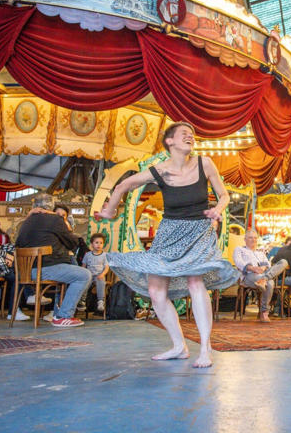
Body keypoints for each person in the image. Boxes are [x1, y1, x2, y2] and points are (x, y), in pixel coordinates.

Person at [96, 122, 239, 367]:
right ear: (170, 141)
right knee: (155, 291)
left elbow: (224, 194)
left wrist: (218, 209)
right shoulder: (159, 170)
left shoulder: (205, 163)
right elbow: (123, 185)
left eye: (192, 134)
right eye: (184, 134)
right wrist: (109, 211)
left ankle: (205, 348)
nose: (190, 136)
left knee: (196, 281)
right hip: (169, 233)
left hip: (199, 230)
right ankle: (178, 346)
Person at [15, 195, 92, 327]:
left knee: (68, 271)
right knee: (84, 275)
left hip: (26, 272)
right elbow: (72, 242)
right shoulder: (55, 220)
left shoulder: (26, 222)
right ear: (51, 207)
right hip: (45, 269)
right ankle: (63, 316)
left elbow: (18, 244)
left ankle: (57, 312)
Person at [232, 229, 289, 322]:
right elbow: (238, 262)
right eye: (250, 237)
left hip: (262, 274)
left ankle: (263, 280)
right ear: (245, 239)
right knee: (270, 283)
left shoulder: (260, 252)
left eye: (255, 238)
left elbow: (268, 264)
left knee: (284, 262)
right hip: (249, 276)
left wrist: (264, 268)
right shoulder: (240, 249)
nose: (253, 240)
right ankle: (264, 312)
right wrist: (252, 268)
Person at [82, 233, 110, 312]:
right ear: (92, 244)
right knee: (84, 282)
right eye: (96, 242)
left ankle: (100, 301)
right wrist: (83, 274)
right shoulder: (87, 255)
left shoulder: (104, 255)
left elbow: (106, 267)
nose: (99, 245)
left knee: (101, 281)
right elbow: (83, 266)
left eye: (101, 243)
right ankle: (82, 300)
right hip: (89, 275)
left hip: (99, 275)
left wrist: (103, 274)